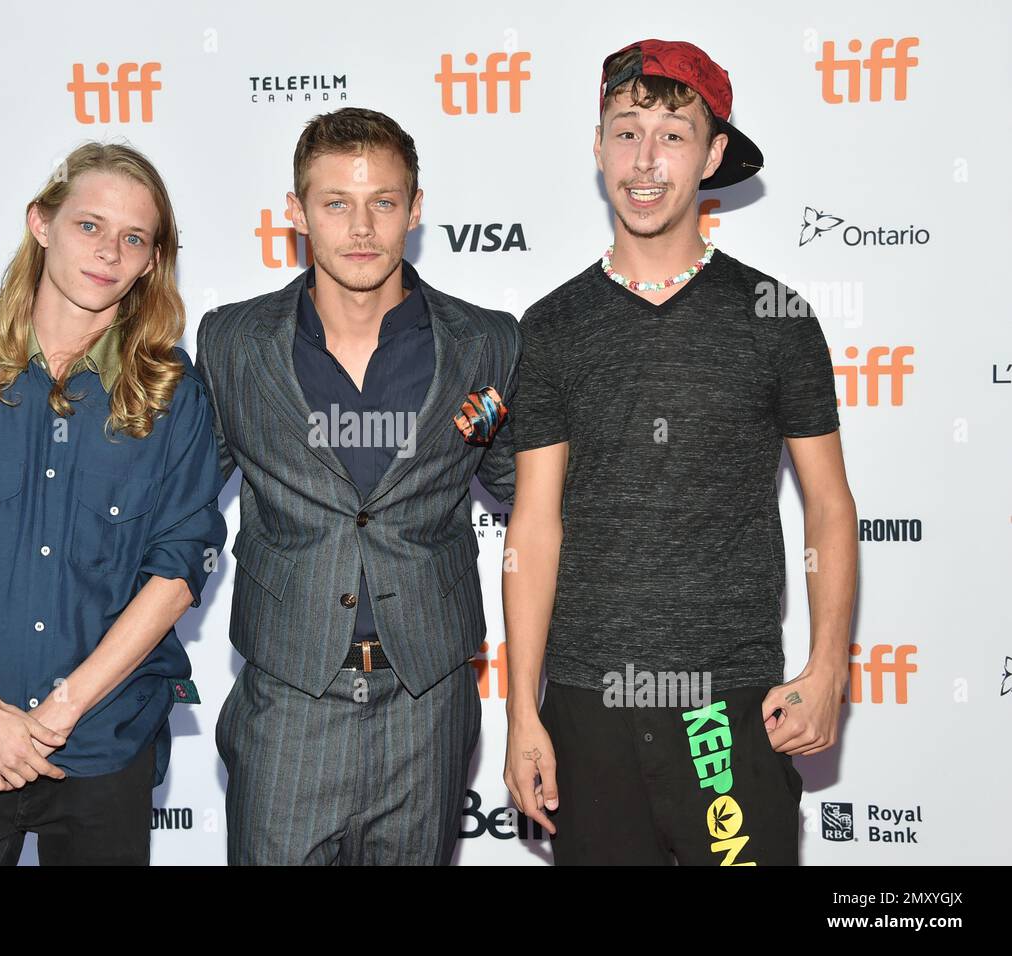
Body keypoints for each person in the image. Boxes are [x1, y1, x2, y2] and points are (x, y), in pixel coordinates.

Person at [503, 40, 858, 865]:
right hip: (588, 704)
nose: (646, 160)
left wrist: (829, 666)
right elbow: (534, 524)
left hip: (730, 702)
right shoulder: (551, 329)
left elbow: (830, 505)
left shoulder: (777, 315)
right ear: (597, 148)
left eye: (672, 133)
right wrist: (524, 709)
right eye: (626, 132)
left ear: (714, 152)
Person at [0, 142, 226, 865]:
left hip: (101, 744)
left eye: (135, 238)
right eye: (89, 226)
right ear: (41, 223)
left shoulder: (175, 396)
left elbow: (179, 570)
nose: (109, 252)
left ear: (153, 260)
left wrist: (59, 714)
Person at [196, 107, 520, 864]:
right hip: (289, 702)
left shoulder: (488, 343)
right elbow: (173, 507)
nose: (362, 227)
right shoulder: (233, 343)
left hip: (428, 705)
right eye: (335, 203)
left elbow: (535, 503)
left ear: (415, 206)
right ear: (297, 213)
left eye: (384, 202)